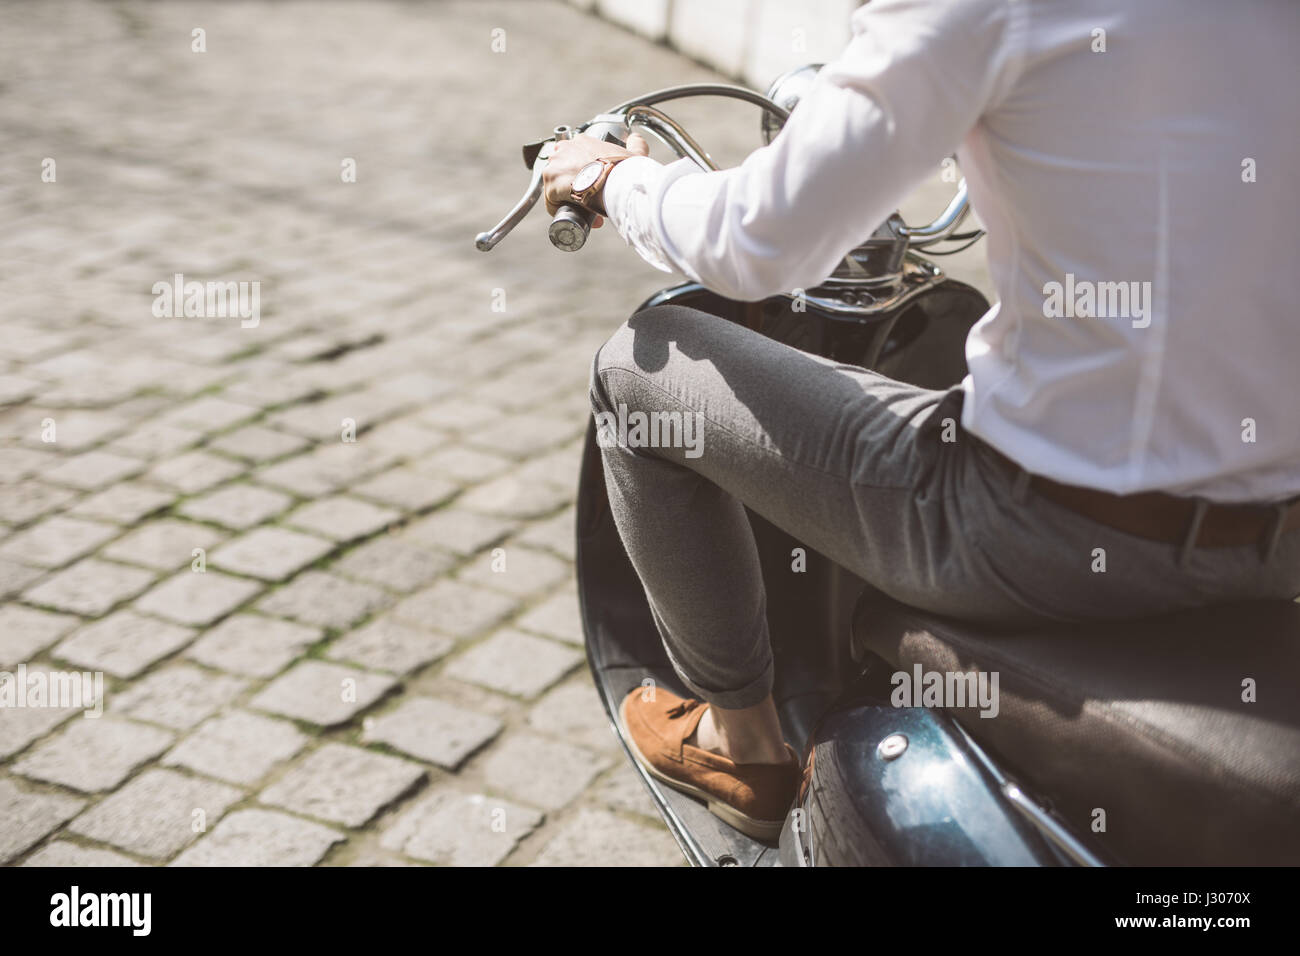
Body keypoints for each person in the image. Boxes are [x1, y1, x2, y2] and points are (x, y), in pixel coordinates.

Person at [542, 0, 1300, 839]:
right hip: (1276, 544)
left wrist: (611, 177)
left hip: (1034, 532)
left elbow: (756, 241)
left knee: (635, 366)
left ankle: (739, 745)